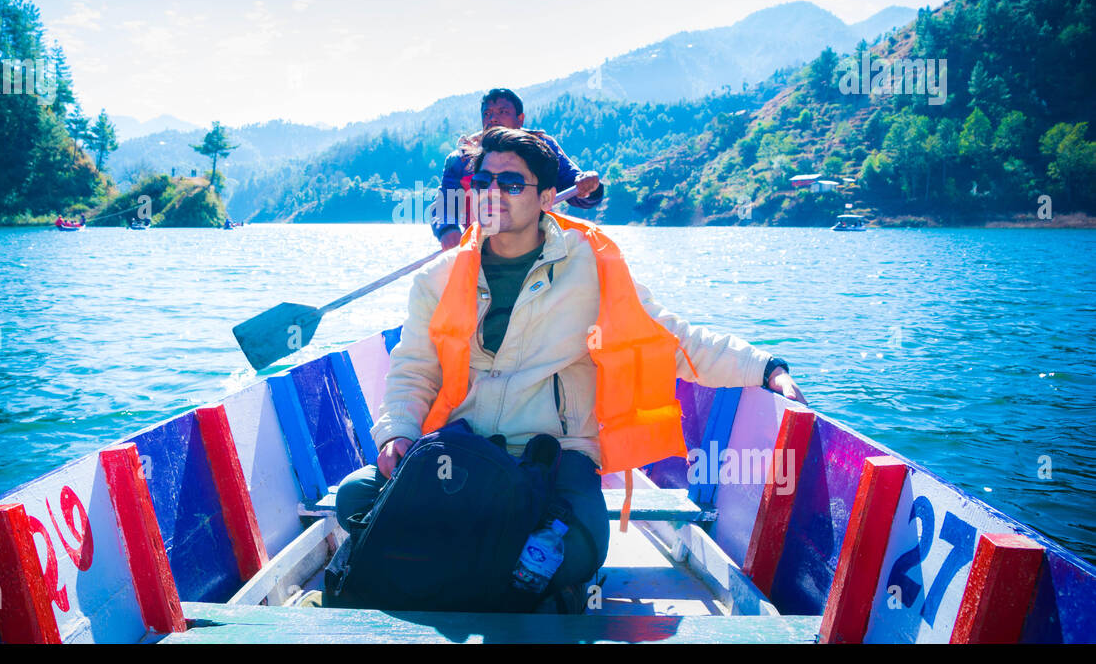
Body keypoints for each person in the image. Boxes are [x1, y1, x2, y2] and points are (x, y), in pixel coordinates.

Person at [335, 126, 806, 605]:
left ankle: (451, 559)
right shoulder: (437, 279)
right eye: (483, 184)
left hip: (555, 457)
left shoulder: (593, 267)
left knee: (582, 547)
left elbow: (673, 341)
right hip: (467, 452)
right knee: (355, 495)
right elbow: (414, 368)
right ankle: (497, 566)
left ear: (545, 198)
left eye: (512, 184)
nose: (493, 194)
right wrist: (398, 433)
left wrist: (766, 367)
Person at [431, 88, 604, 250]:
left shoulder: (544, 148)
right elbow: (445, 205)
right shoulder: (460, 159)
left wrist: (589, 186)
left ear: (520, 119)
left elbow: (576, 190)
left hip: (535, 246)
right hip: (483, 248)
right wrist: (446, 230)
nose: (493, 118)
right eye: (487, 114)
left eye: (503, 112)